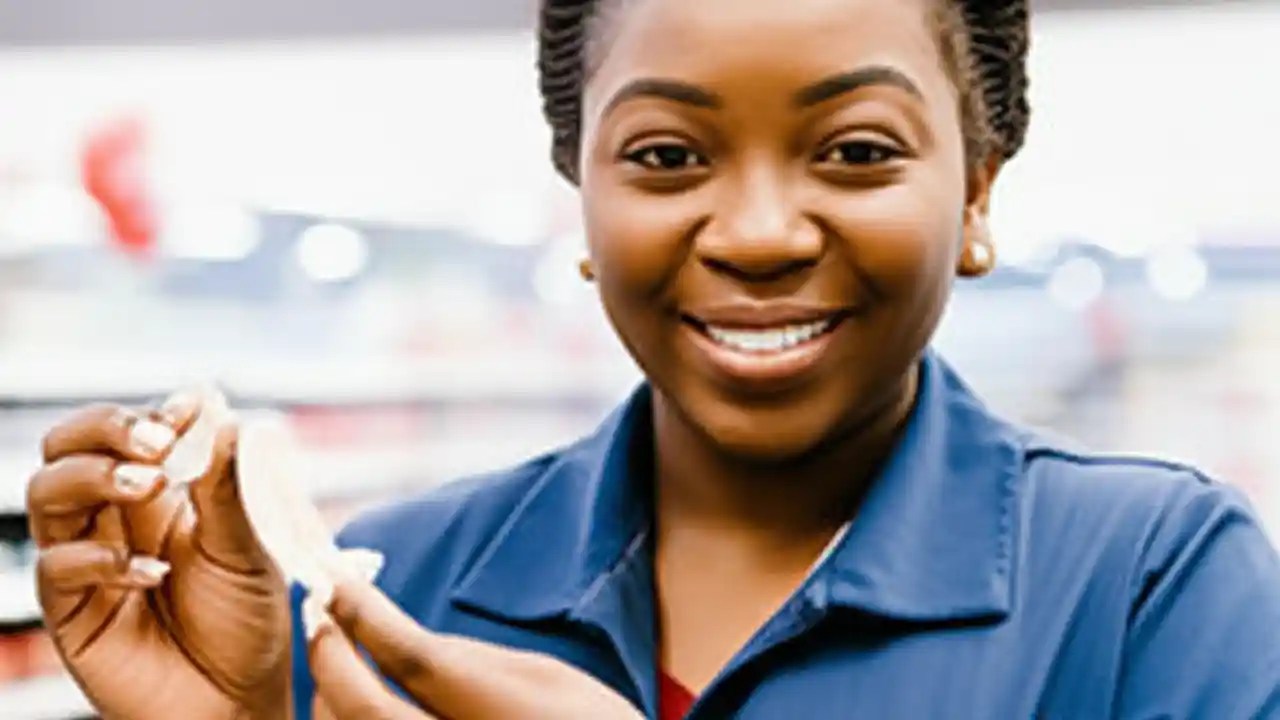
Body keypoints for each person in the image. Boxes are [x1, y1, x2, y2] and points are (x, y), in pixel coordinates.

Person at [27, 0, 1280, 717]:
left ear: (976, 192)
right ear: (580, 191)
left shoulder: (1148, 593)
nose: (755, 234)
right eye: (668, 157)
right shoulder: (385, 593)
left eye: (853, 151)